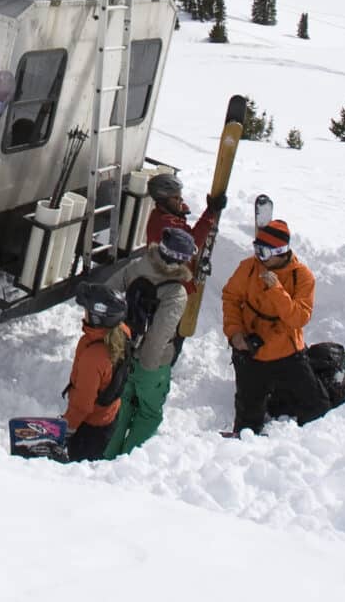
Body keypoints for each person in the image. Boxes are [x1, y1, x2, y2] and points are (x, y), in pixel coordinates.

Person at [94, 225, 197, 455]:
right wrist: (147, 367)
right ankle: (129, 462)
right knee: (149, 414)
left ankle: (107, 459)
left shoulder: (138, 266)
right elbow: (160, 334)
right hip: (151, 364)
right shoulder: (175, 292)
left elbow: (107, 290)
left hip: (123, 353)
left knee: (121, 409)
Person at [221, 220, 329, 435]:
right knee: (247, 422)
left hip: (287, 353)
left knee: (317, 407)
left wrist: (276, 290)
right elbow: (231, 298)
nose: (258, 257)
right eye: (256, 249)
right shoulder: (248, 268)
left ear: (280, 252)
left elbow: (298, 318)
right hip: (251, 353)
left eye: (263, 251)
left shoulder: (302, 276)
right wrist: (235, 333)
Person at [61, 284, 134, 461]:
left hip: (89, 429)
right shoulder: (121, 332)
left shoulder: (94, 357)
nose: (84, 314)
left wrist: (66, 429)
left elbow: (82, 404)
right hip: (109, 418)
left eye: (87, 310)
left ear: (97, 318)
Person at [143, 170, 225, 249]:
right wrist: (210, 212)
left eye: (180, 196)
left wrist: (180, 214)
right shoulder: (166, 224)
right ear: (163, 200)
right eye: (176, 198)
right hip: (164, 263)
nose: (181, 200)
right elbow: (192, 244)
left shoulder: (160, 213)